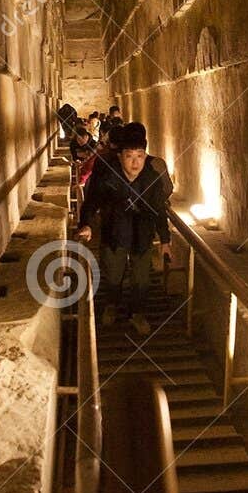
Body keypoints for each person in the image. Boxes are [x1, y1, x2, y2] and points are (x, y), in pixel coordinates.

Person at [77, 123, 173, 335]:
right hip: (115, 232)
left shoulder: (151, 178)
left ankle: (137, 314)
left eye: (140, 156)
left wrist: (165, 240)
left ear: (145, 155)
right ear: (120, 156)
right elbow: (92, 202)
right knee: (113, 274)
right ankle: (112, 306)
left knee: (141, 278)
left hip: (142, 235)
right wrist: (86, 224)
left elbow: (158, 209)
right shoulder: (108, 178)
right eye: (129, 156)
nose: (135, 162)